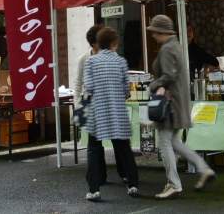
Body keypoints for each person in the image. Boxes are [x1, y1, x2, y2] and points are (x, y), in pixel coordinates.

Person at [147, 15, 215, 200]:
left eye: (154, 31)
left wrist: (153, 85)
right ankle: (203, 168)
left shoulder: (167, 49)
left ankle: (174, 184)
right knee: (175, 142)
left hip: (170, 104)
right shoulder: (175, 46)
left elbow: (168, 75)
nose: (152, 35)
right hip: (178, 102)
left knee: (164, 142)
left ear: (161, 32)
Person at [83, 27, 139, 202]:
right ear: (115, 44)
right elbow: (126, 91)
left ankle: (94, 189)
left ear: (99, 43)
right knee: (124, 148)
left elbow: (89, 88)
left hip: (98, 111)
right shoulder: (121, 62)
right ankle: (132, 184)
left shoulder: (91, 62)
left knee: (93, 149)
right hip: (118, 112)